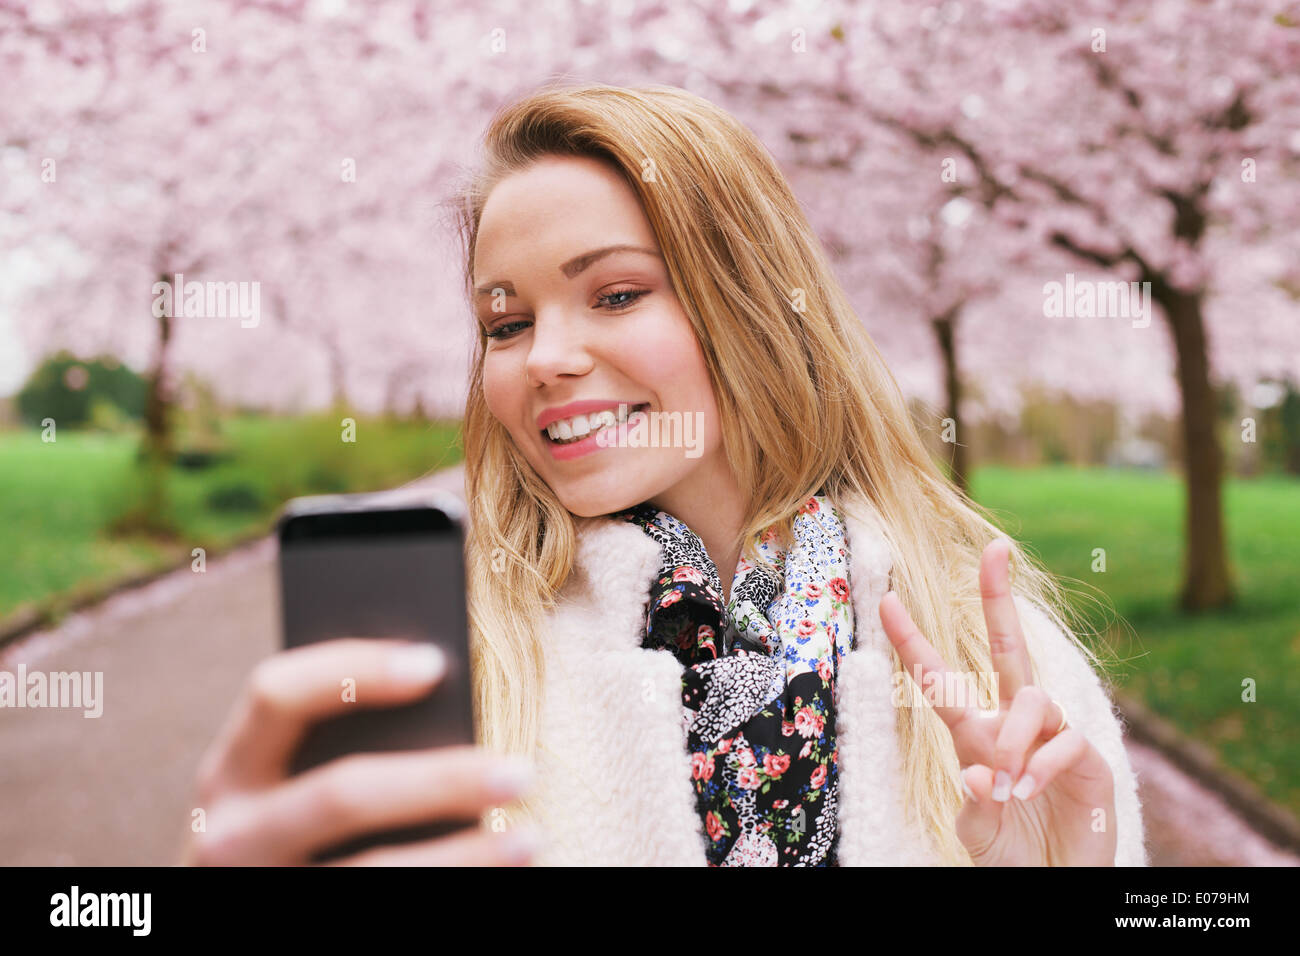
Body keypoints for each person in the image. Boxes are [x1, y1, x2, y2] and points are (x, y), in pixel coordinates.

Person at [184, 82, 1146, 867]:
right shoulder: (454, 670)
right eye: (506, 323)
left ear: (750, 305)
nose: (544, 359)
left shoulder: (988, 658)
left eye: (615, 294)